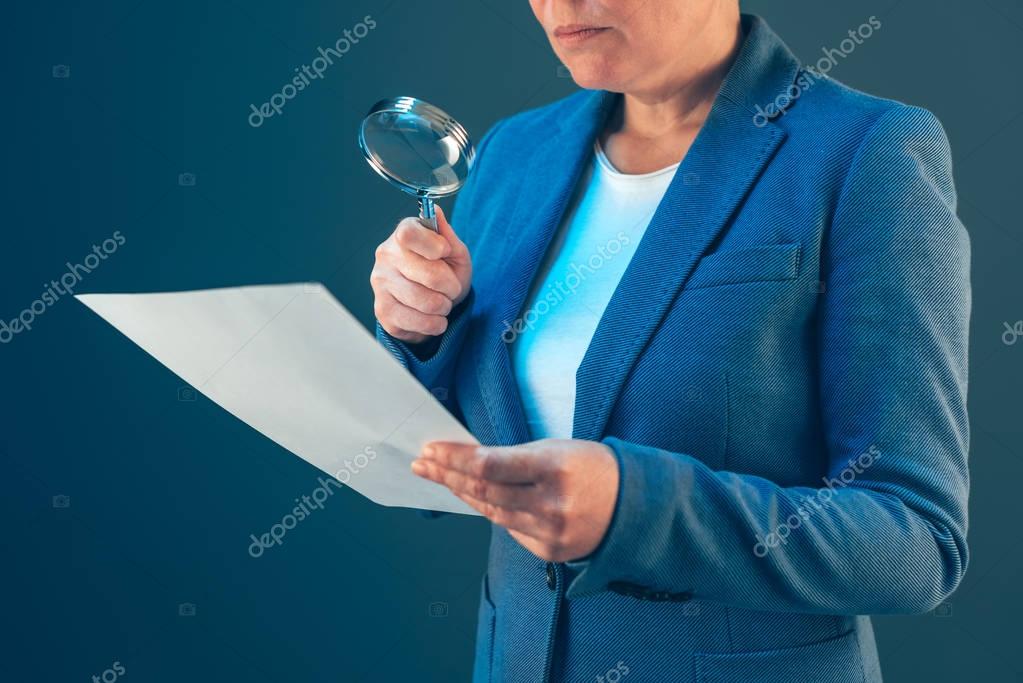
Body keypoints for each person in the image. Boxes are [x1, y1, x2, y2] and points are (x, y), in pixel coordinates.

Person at [370, 2, 971, 681]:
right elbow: (443, 473)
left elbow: (916, 544)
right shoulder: (514, 153)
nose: (559, 6)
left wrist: (640, 509)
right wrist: (421, 333)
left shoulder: (865, 149)